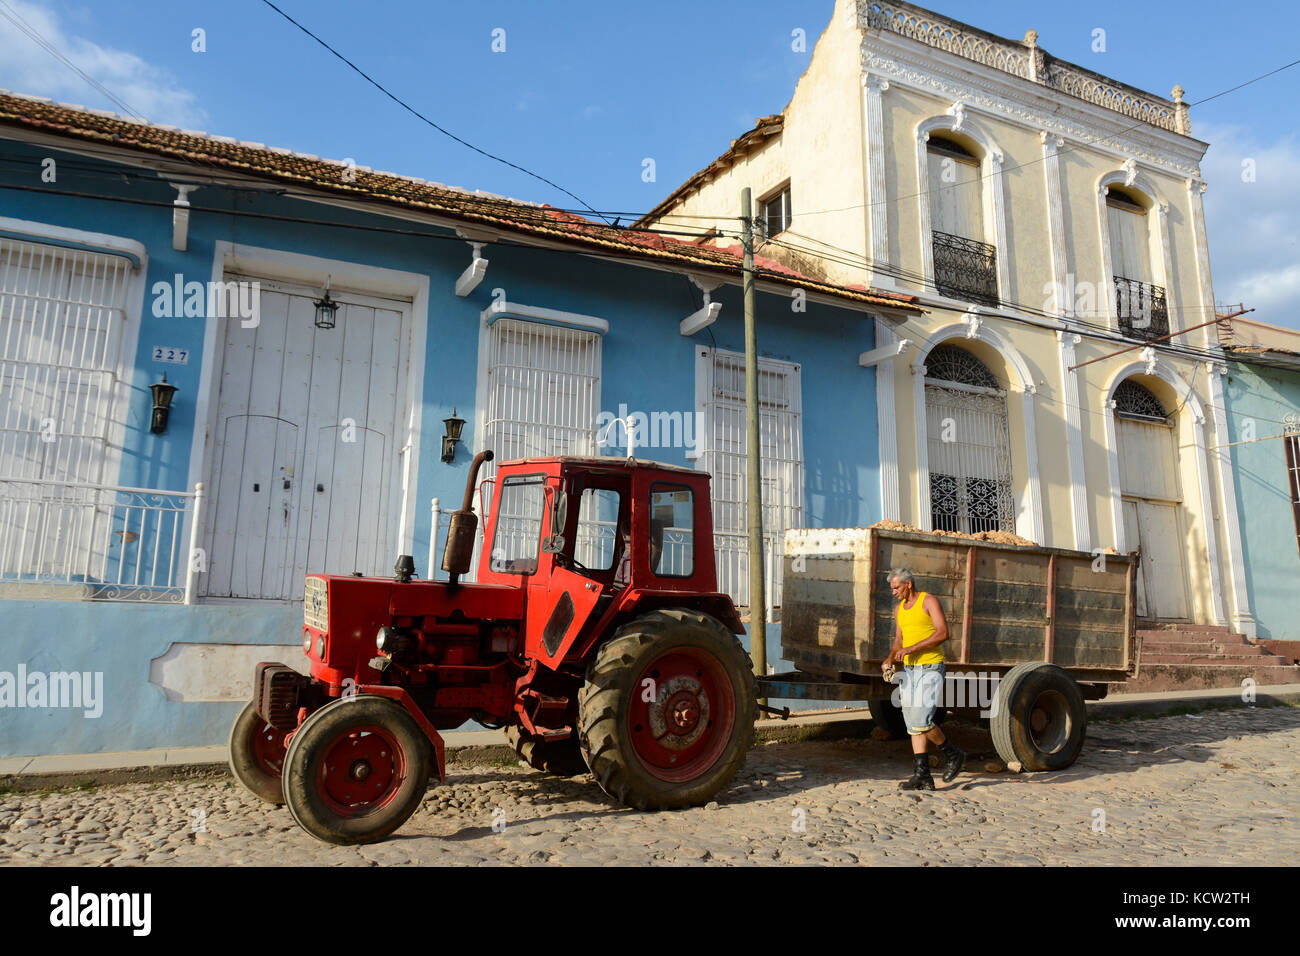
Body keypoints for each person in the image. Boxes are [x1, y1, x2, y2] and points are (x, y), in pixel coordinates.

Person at [882, 568, 965, 790]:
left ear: (909, 584)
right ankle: (923, 776)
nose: (893, 592)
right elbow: (899, 639)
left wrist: (912, 648)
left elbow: (942, 633)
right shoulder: (899, 609)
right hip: (909, 671)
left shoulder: (928, 601)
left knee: (921, 720)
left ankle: (953, 754)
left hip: (930, 668)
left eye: (896, 587)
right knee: (912, 725)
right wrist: (890, 658)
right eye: (892, 588)